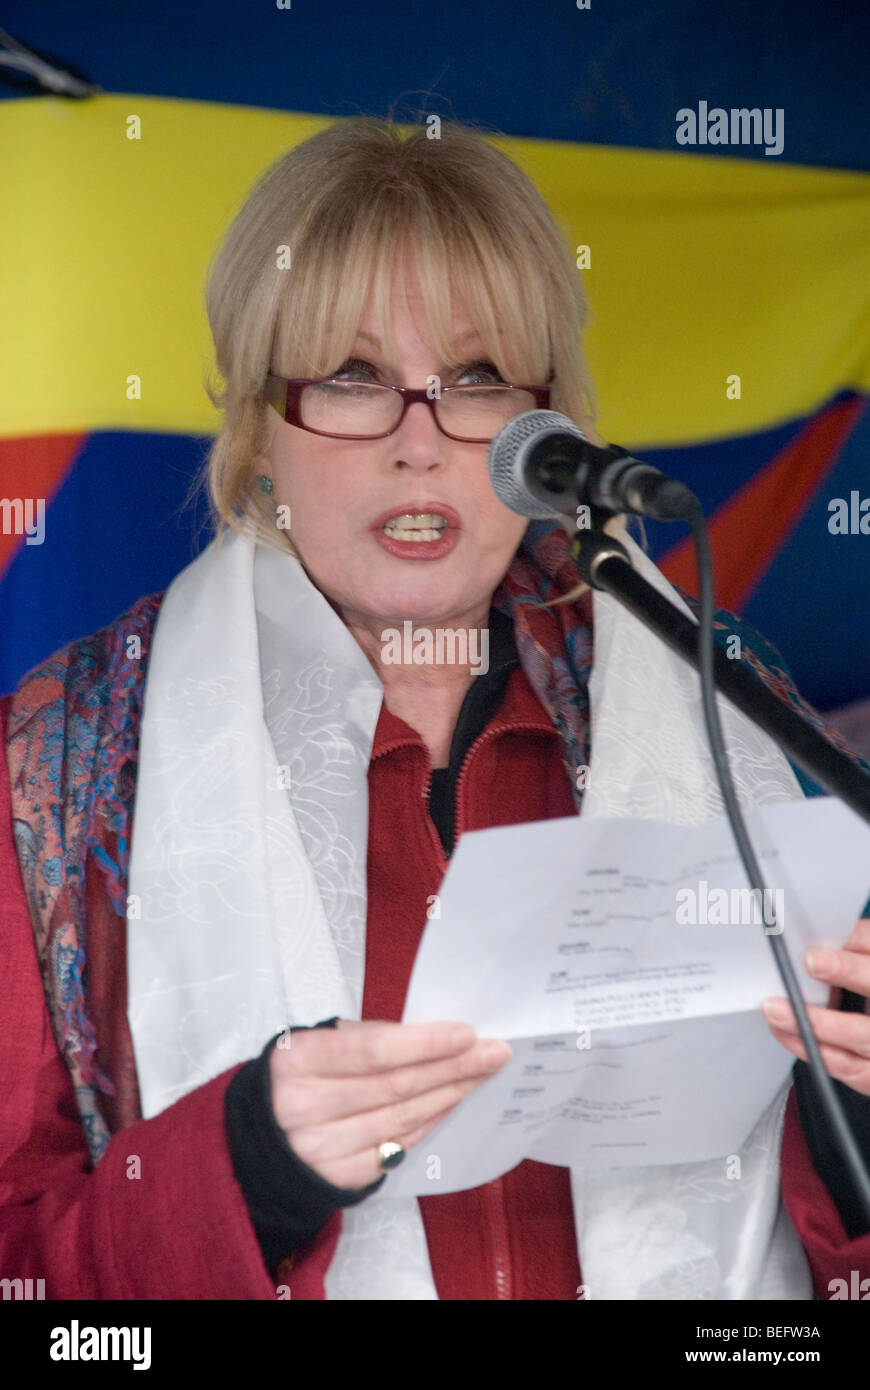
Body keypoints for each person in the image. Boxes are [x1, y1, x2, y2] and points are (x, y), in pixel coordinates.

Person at [2, 117, 869, 1301]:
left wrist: (855, 1123)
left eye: (475, 381)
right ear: (257, 430)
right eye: (353, 378)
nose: (421, 443)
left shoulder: (738, 717)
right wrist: (239, 1165)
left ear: (545, 430)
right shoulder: (60, 771)